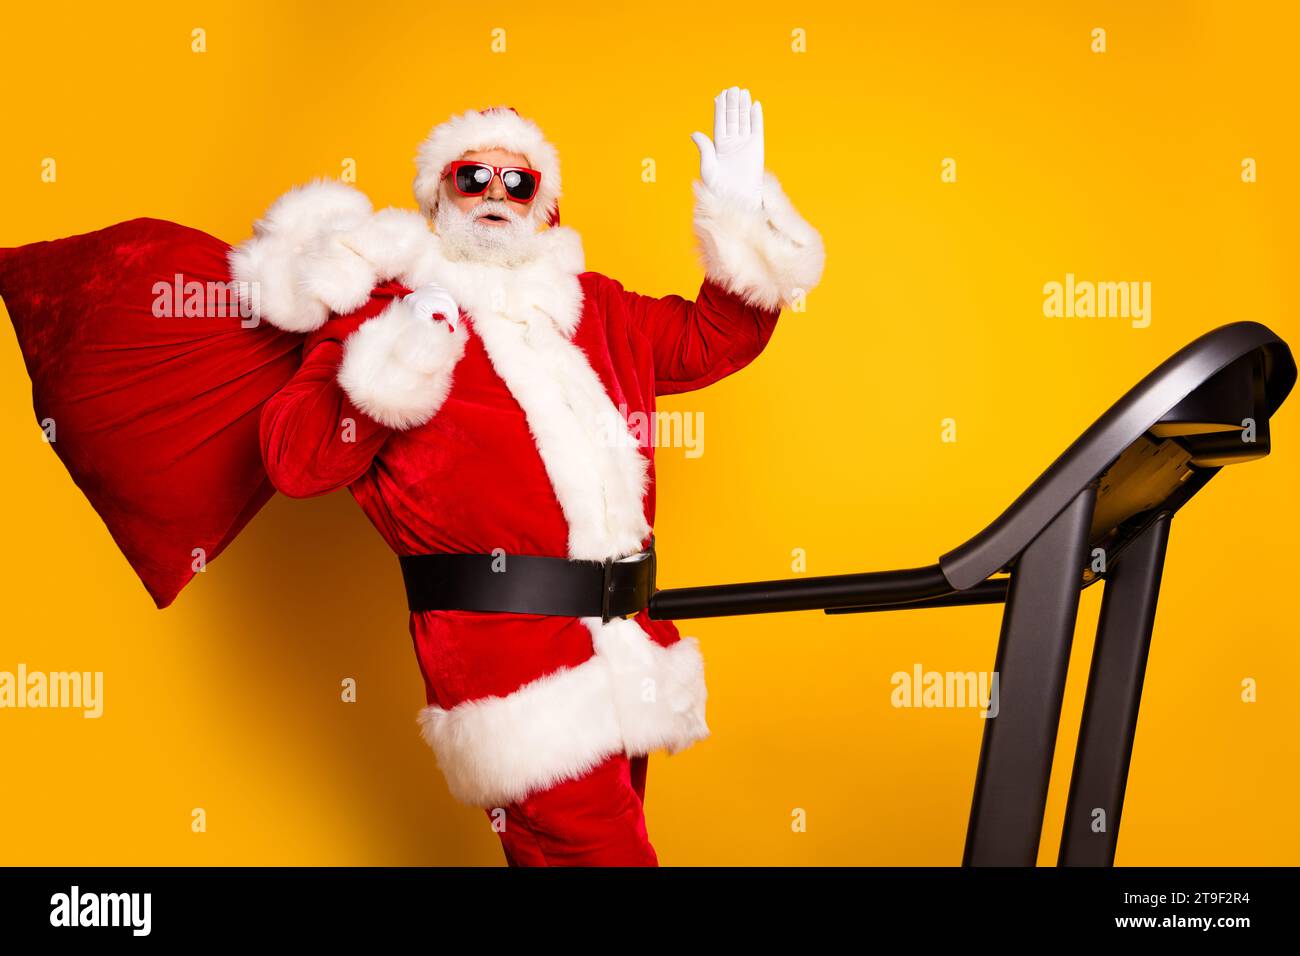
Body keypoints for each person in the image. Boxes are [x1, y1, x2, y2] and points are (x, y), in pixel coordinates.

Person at [229, 86, 825, 865]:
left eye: (519, 181)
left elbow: (716, 340)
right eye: (471, 177)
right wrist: (403, 353)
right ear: (436, 197)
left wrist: (740, 213)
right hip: (513, 675)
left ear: (545, 205)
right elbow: (297, 459)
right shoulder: (389, 311)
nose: (495, 195)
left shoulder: (597, 310)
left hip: (624, 647)